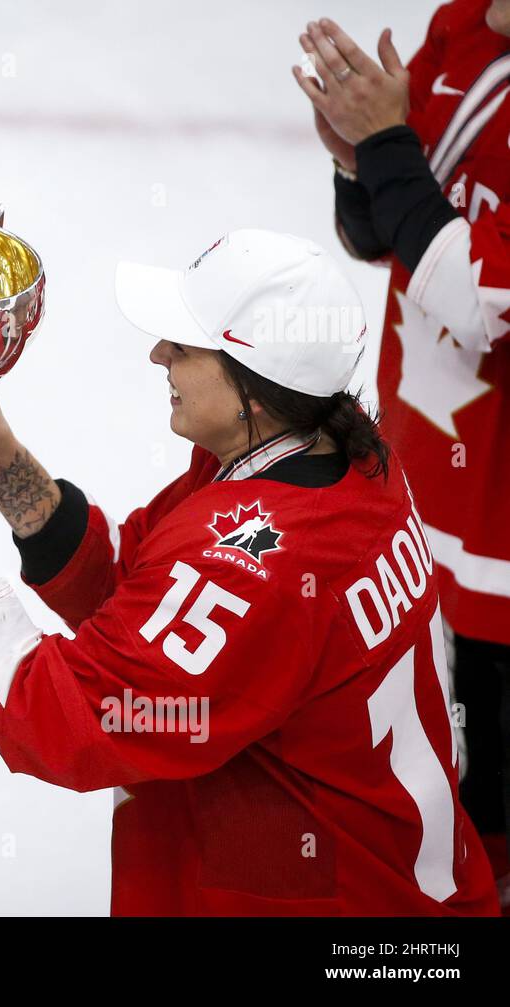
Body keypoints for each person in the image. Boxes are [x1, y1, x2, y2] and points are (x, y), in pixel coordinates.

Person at [0, 229, 500, 915]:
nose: (157, 353)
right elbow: (131, 584)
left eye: (185, 345)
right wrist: (1, 452)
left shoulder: (253, 564)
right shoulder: (345, 459)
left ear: (254, 389)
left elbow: (57, 720)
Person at [293, 5, 510, 907]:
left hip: (501, 504)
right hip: (439, 467)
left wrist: (383, 143)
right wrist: (357, 157)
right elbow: (385, 227)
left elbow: (480, 300)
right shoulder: (464, 25)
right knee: (470, 714)